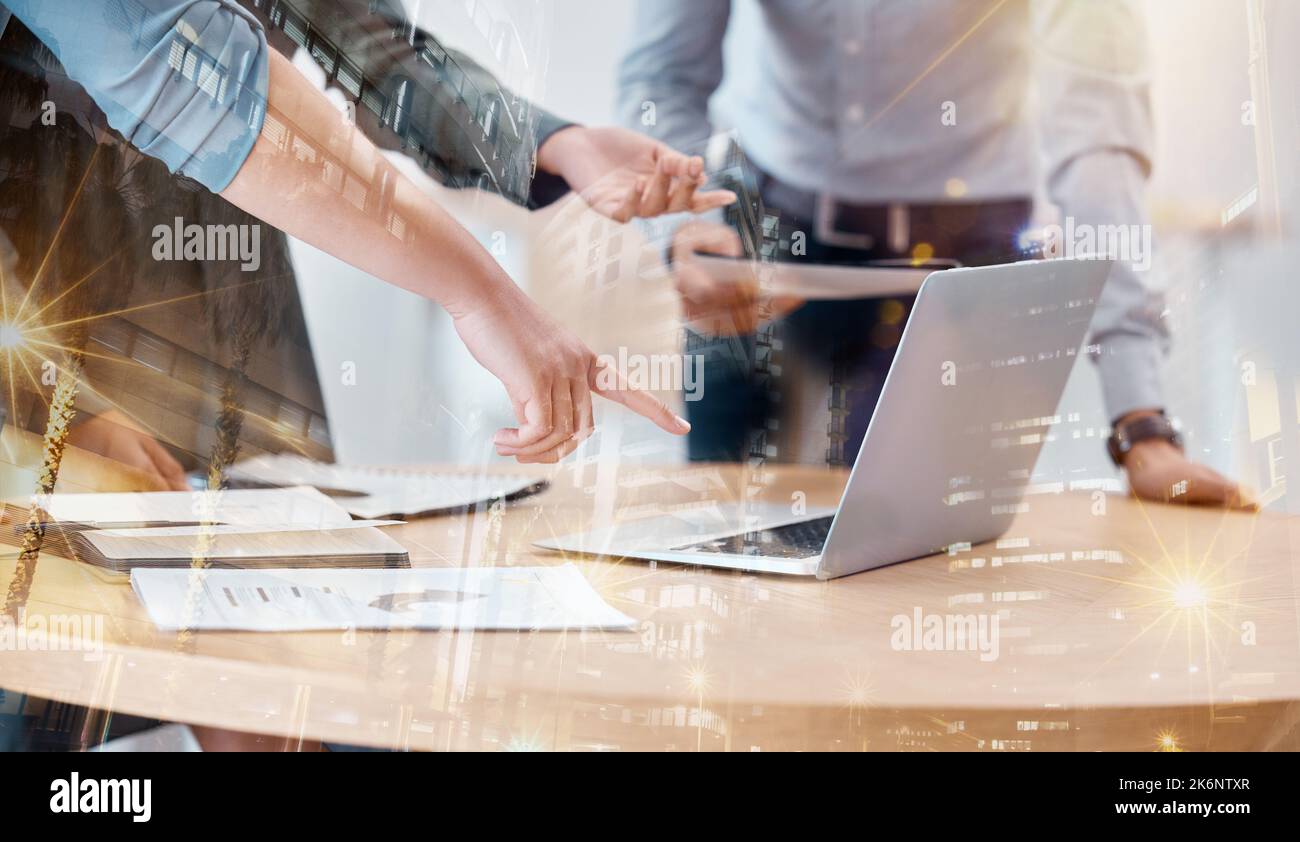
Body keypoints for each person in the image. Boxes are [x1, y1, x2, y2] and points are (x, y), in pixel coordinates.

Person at [0, 0, 736, 467]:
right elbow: (183, 66)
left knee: (290, 676)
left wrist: (550, 142)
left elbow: (364, 39)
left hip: (234, 332)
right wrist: (53, 406)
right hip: (49, 346)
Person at [618, 0, 1253, 508]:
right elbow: (663, 78)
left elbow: (1098, 139)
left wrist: (1140, 422)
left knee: (903, 542)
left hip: (969, 248)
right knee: (716, 526)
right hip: (771, 223)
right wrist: (683, 225)